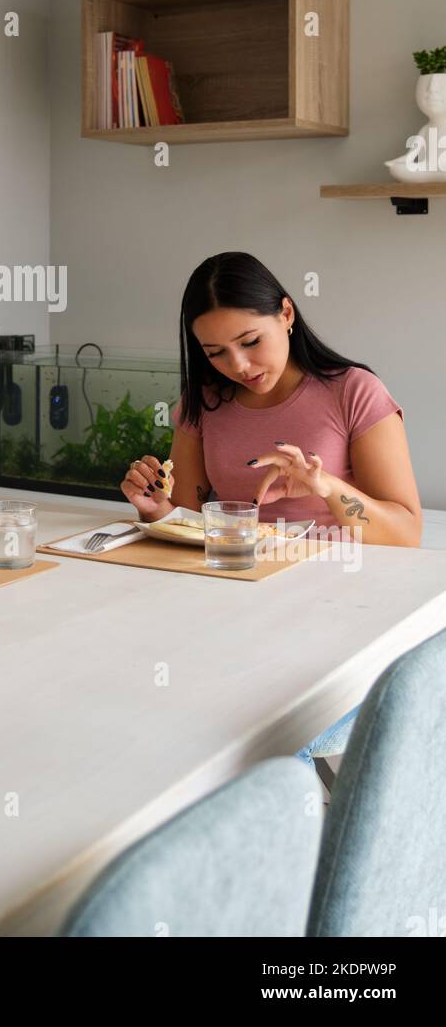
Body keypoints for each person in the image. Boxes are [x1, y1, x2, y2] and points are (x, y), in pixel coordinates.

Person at [120, 250, 422, 767]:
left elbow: (407, 531)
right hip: (238, 615)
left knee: (253, 743)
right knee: (153, 711)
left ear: (286, 314)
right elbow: (192, 520)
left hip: (339, 619)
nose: (238, 366)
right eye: (215, 352)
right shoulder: (204, 404)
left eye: (250, 342)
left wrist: (323, 484)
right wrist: (156, 509)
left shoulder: (354, 392)